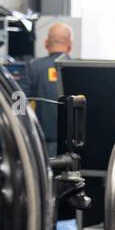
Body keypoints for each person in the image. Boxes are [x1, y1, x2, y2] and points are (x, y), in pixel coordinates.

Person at [22, 21, 72, 155]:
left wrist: (21, 130)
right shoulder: (77, 69)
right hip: (74, 146)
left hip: (42, 144)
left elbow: (18, 101)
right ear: (70, 45)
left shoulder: (33, 67)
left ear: (46, 44)